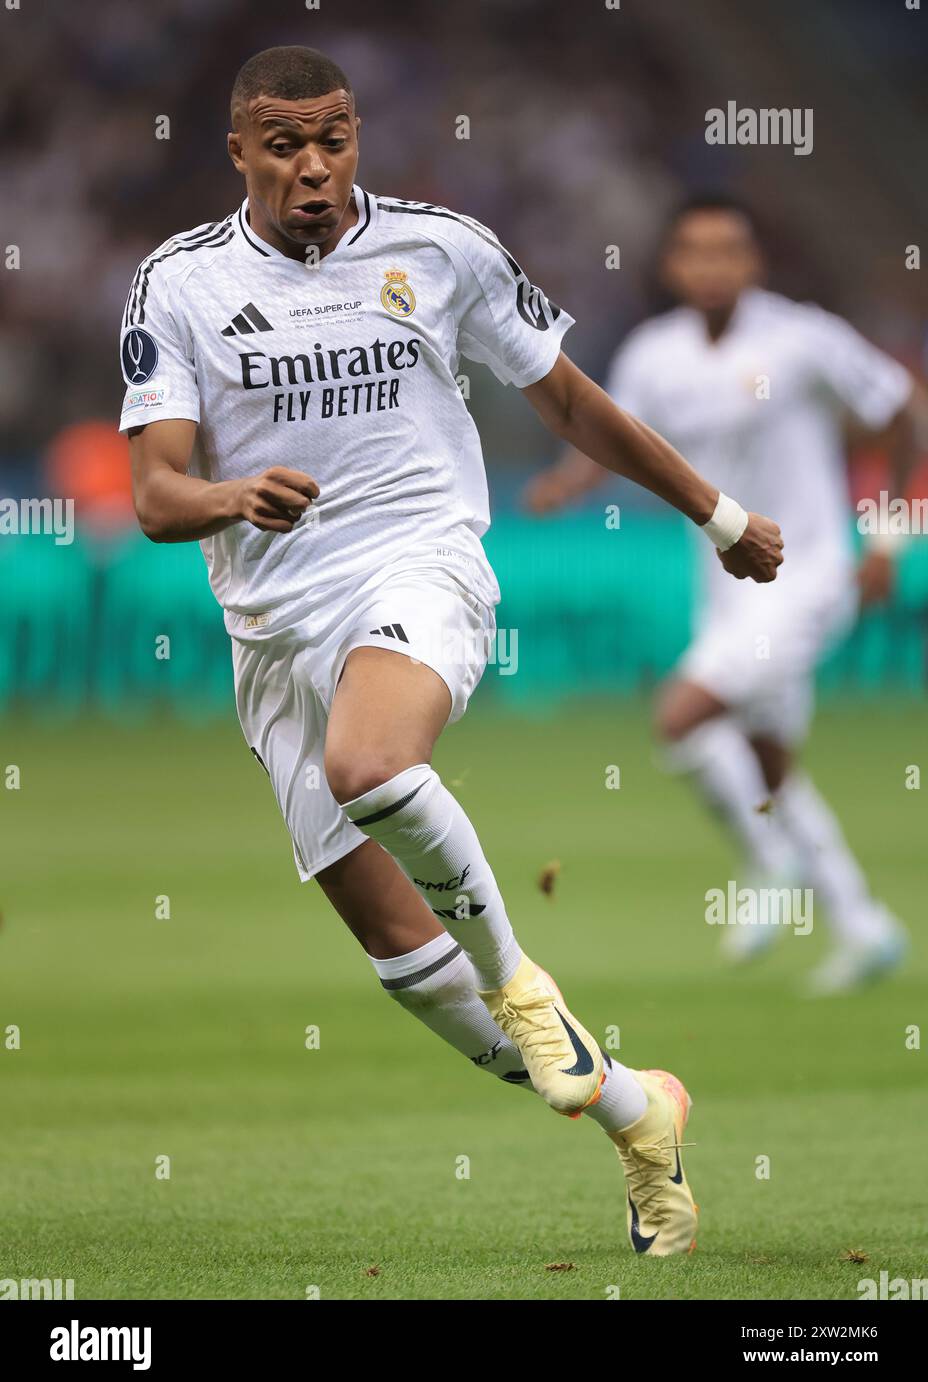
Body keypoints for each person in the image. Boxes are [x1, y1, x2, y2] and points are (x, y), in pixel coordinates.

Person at [120, 51, 782, 1256]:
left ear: (357, 136)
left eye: (331, 139)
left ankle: (527, 985)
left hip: (417, 564)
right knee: (414, 972)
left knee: (369, 763)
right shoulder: (180, 285)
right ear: (238, 153)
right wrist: (229, 496)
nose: (310, 166)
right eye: (282, 144)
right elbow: (157, 494)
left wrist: (718, 515)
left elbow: (572, 402)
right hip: (271, 632)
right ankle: (642, 1115)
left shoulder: (444, 249)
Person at [525, 194, 916, 995]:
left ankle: (770, 866)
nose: (711, 266)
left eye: (727, 250)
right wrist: (569, 483)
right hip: (727, 590)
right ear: (672, 266)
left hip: (806, 576)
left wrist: (887, 539)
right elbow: (617, 435)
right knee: (769, 766)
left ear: (753, 262)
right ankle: (863, 924)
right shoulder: (654, 353)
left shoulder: (803, 338)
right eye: (694, 252)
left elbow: (903, 415)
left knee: (682, 718)